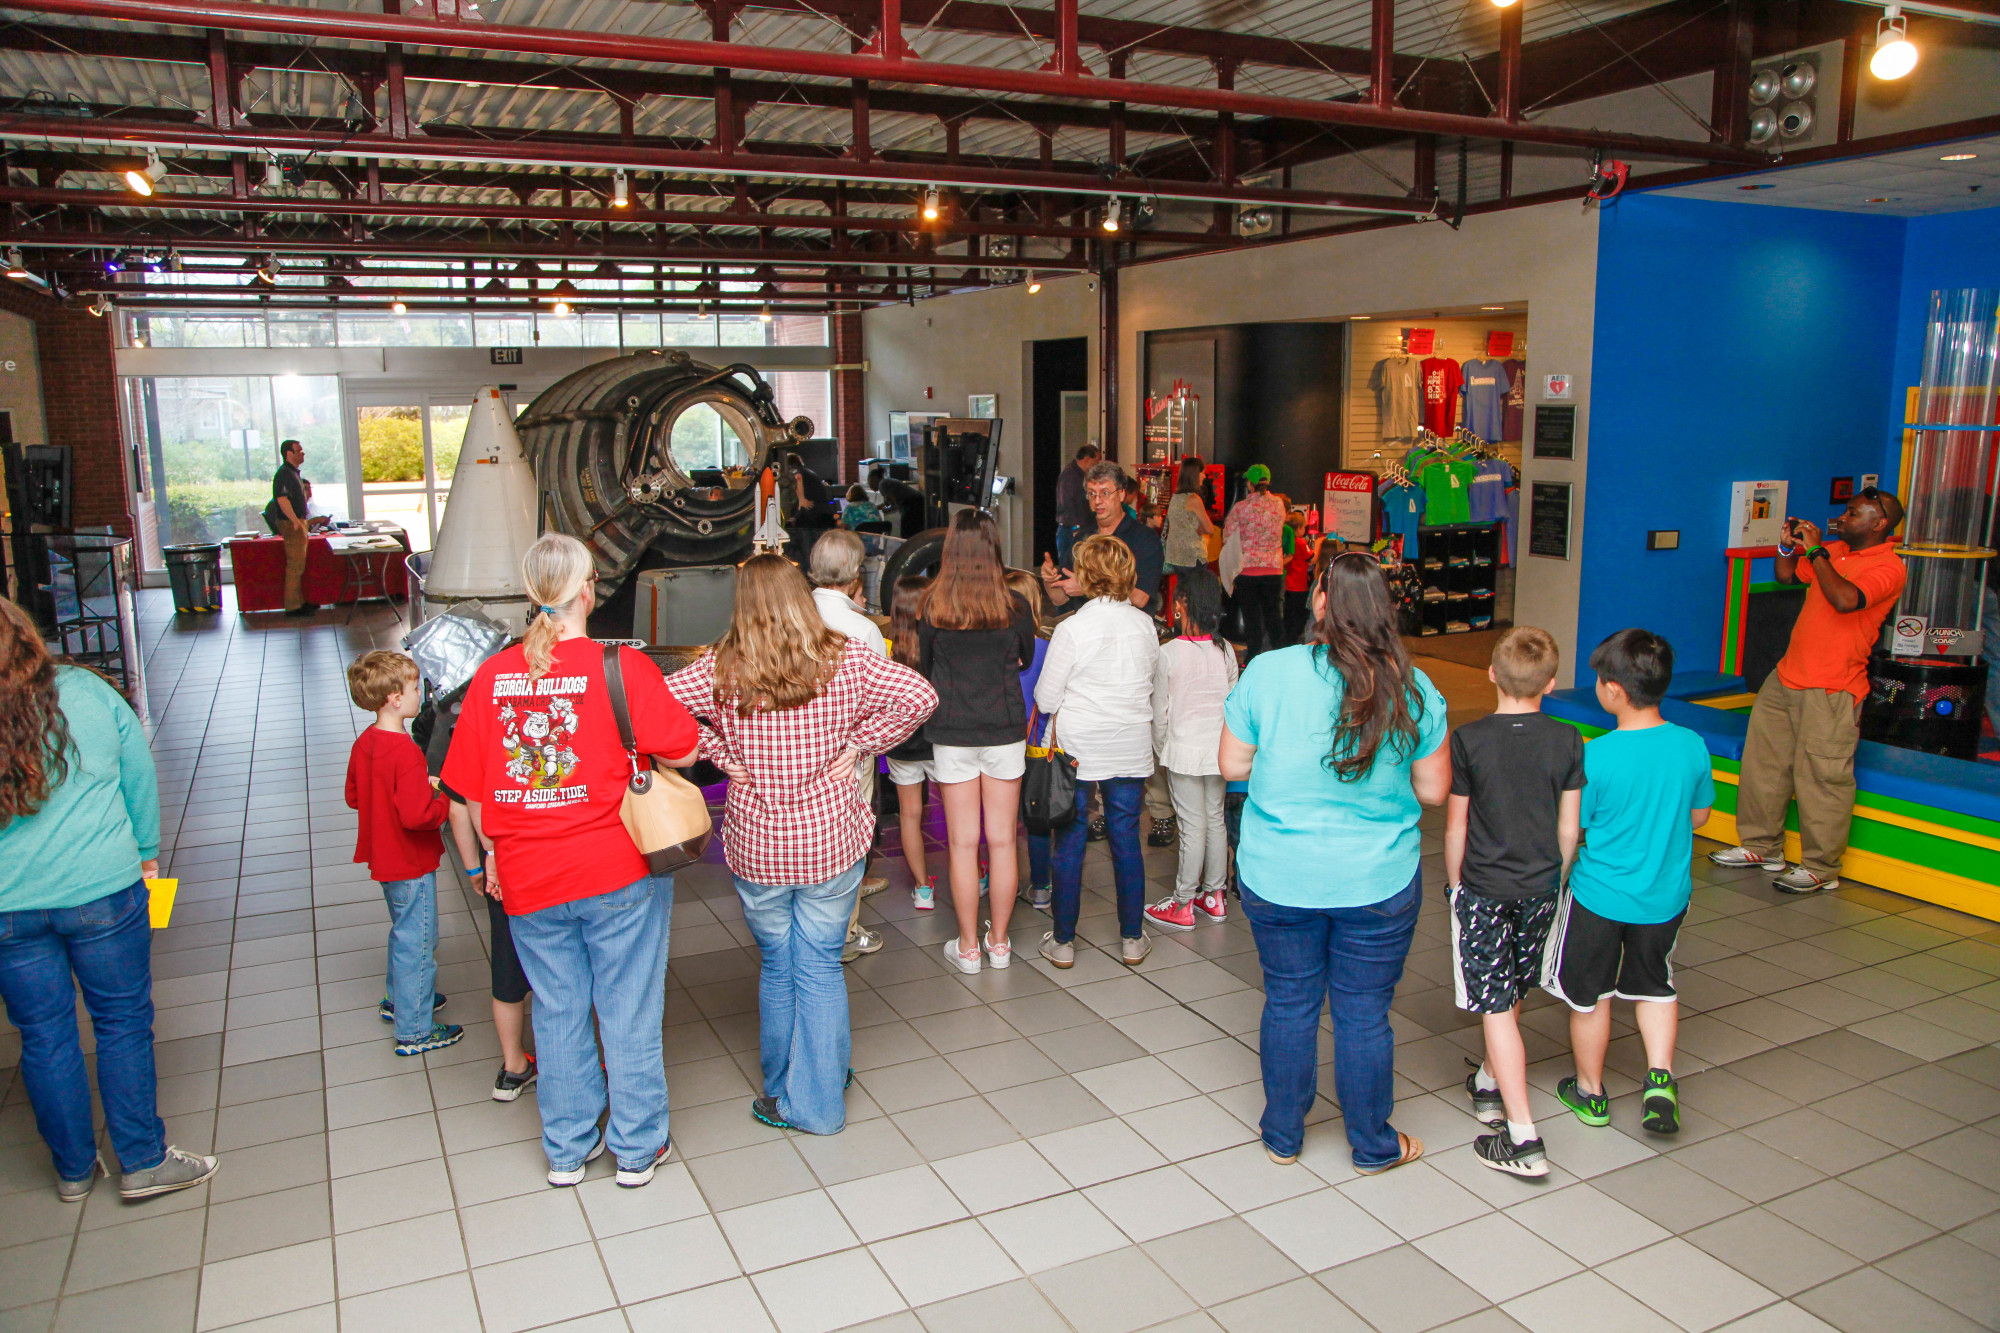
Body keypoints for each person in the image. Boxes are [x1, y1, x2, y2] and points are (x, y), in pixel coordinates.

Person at [442, 534, 701, 1189]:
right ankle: (637, 1148)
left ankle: (567, 1148)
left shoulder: (492, 678)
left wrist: (494, 853)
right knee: (628, 1011)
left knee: (557, 1012)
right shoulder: (624, 668)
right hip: (616, 870)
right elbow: (686, 749)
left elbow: (470, 789)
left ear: (534, 594)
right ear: (589, 590)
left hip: (530, 878)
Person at [666, 555, 935, 1135]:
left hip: (759, 845)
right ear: (802, 596)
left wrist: (718, 754)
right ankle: (820, 1082)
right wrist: (862, 744)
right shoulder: (845, 657)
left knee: (779, 966)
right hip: (831, 840)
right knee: (819, 966)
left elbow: (653, 710)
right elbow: (920, 696)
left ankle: (791, 1090)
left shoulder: (720, 665)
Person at [1219, 552, 1450, 1174]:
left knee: (1290, 1001)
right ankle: (1372, 1145)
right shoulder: (1414, 685)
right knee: (1363, 1012)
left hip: (1279, 874)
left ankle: (1283, 1135)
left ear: (1320, 601)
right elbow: (1434, 789)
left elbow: (1232, 767)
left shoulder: (1268, 671)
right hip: (1377, 878)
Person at [0, 597, 219, 1202]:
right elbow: (138, 775)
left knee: (42, 1037)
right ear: (24, 634)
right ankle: (142, 1161)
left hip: (6, 909)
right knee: (122, 1023)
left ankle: (72, 1170)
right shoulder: (84, 690)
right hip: (102, 890)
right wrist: (148, 858)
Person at [1549, 628, 1713, 1138]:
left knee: (1591, 996)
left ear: (1613, 690)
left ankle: (1590, 1093)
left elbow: (1573, 831)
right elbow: (1700, 817)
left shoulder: (1597, 757)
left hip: (1599, 897)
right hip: (1665, 896)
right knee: (1654, 984)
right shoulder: (1691, 744)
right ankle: (1660, 1080)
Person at [1708, 488, 1906, 894]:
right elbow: (1786, 577)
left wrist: (1817, 553)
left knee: (1823, 777)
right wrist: (1786, 549)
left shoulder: (1889, 566)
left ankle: (1820, 868)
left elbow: (1845, 599)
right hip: (1785, 677)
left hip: (1833, 687)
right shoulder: (1834, 551)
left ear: (1879, 523)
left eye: (1853, 513)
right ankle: (1761, 847)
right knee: (1764, 766)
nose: (1842, 518)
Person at [1444, 627, 1583, 1178]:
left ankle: (1523, 1139)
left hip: (1483, 887)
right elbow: (1568, 829)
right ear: (1550, 683)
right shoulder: (1569, 739)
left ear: (1492, 673)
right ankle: (1487, 1081)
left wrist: (1456, 885)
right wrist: (1557, 876)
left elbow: (1456, 825)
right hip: (1541, 885)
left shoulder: (1471, 739)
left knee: (1495, 1001)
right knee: (1514, 983)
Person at [919, 510, 1037, 973]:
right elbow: (1026, 659)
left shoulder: (934, 606)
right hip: (1004, 729)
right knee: (1003, 842)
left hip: (951, 732)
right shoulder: (1014, 606)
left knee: (963, 845)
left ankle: (968, 947)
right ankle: (1001, 943)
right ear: (993, 548)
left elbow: (926, 667)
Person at [1035, 535, 1161, 968]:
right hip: (1129, 744)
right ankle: (1131, 937)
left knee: (1069, 842)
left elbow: (1047, 698)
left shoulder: (1072, 629)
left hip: (1078, 749)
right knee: (1127, 839)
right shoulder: (1145, 625)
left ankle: (1064, 941)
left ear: (1086, 576)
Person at [344, 650, 462, 1056]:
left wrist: (411, 789)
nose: (419, 696)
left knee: (403, 930)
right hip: (412, 861)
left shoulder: (366, 742)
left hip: (384, 857)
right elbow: (418, 817)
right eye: (414, 689)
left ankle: (399, 1001)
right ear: (395, 698)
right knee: (420, 941)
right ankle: (415, 1030)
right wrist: (442, 799)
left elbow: (354, 796)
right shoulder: (407, 752)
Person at [808, 529, 890, 959]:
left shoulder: (794, 617)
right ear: (856, 573)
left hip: (793, 750)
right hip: (848, 752)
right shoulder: (862, 629)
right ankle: (845, 929)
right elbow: (887, 697)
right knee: (850, 836)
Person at [1144, 567, 1237, 933]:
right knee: (1214, 820)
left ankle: (1182, 902)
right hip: (1219, 751)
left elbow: (1159, 714)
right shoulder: (1226, 650)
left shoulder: (1169, 653)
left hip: (1183, 751)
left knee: (1192, 827)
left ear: (1182, 604)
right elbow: (1234, 704)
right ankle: (1214, 896)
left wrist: (1163, 751)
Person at [1041, 460, 1164, 613]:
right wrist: (1049, 580)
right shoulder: (1083, 538)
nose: (1097, 501)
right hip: (1087, 628)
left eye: (1105, 493)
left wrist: (1088, 587)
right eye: (1092, 494)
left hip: (1126, 630)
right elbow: (1059, 598)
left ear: (1121, 494)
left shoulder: (1144, 538)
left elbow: (1140, 598)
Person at [884, 576, 939, 908]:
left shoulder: (888, 648)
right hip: (938, 741)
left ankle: (922, 889)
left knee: (909, 815)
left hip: (901, 744)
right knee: (959, 814)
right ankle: (976, 873)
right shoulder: (938, 643)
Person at [1005, 567, 1055, 912]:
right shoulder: (1048, 647)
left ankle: (997, 883)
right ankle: (1041, 886)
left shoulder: (997, 645)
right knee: (1037, 821)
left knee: (1001, 821)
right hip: (1038, 744)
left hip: (1002, 742)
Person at [1225, 463, 1288, 658]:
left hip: (1247, 570)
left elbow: (1227, 537)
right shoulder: (1279, 504)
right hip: (1273, 569)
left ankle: (1253, 659)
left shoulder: (1240, 508)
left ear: (1250, 484)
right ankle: (1280, 657)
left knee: (1252, 619)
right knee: (1274, 617)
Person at [266, 438, 318, 617]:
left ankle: (299, 601)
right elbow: (281, 499)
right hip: (291, 523)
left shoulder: (293, 472)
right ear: (289, 453)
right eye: (299, 451)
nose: (303, 454)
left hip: (297, 521)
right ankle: (293, 606)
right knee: (295, 565)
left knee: (299, 565)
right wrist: (295, 520)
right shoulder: (284, 474)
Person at [1161, 457, 1216, 587]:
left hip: (1175, 555)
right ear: (1194, 475)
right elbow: (1210, 528)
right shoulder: (1194, 499)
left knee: (1182, 593)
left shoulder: (1175, 497)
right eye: (1201, 472)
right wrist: (1201, 528)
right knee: (1195, 596)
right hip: (1192, 556)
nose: (1204, 476)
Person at [1054, 443, 1101, 571]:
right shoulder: (1071, 476)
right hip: (1071, 530)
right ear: (1087, 460)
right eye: (1096, 462)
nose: (1096, 466)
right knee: (1069, 566)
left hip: (1082, 528)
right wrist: (1076, 528)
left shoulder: (1080, 475)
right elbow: (1067, 503)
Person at [1283, 510, 1316, 644]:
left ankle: (1287, 639)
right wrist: (1319, 544)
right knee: (1299, 615)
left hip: (1287, 584)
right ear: (1298, 529)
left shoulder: (1286, 541)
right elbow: (1312, 558)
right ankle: (1295, 639)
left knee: (1288, 615)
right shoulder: (1301, 543)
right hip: (1299, 586)